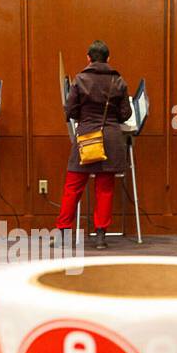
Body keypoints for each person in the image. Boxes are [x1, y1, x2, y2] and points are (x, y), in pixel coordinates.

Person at [58, 40, 132, 250]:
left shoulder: (80, 79)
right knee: (105, 189)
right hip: (110, 139)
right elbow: (126, 113)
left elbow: (69, 111)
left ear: (88, 58)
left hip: (86, 138)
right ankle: (100, 237)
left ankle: (63, 232)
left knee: (73, 187)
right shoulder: (118, 81)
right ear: (108, 59)